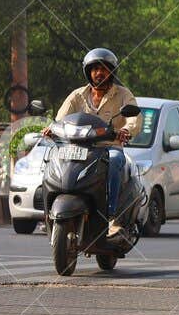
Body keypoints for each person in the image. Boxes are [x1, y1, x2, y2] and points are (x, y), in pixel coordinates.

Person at [47, 48, 140, 238]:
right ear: (88, 72)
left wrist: (126, 130)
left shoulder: (123, 94)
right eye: (95, 69)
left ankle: (112, 217)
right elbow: (60, 119)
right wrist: (51, 129)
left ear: (112, 72)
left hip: (108, 148)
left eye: (104, 69)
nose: (99, 73)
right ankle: (50, 214)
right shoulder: (77, 95)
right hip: (78, 148)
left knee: (114, 161)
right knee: (51, 158)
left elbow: (135, 119)